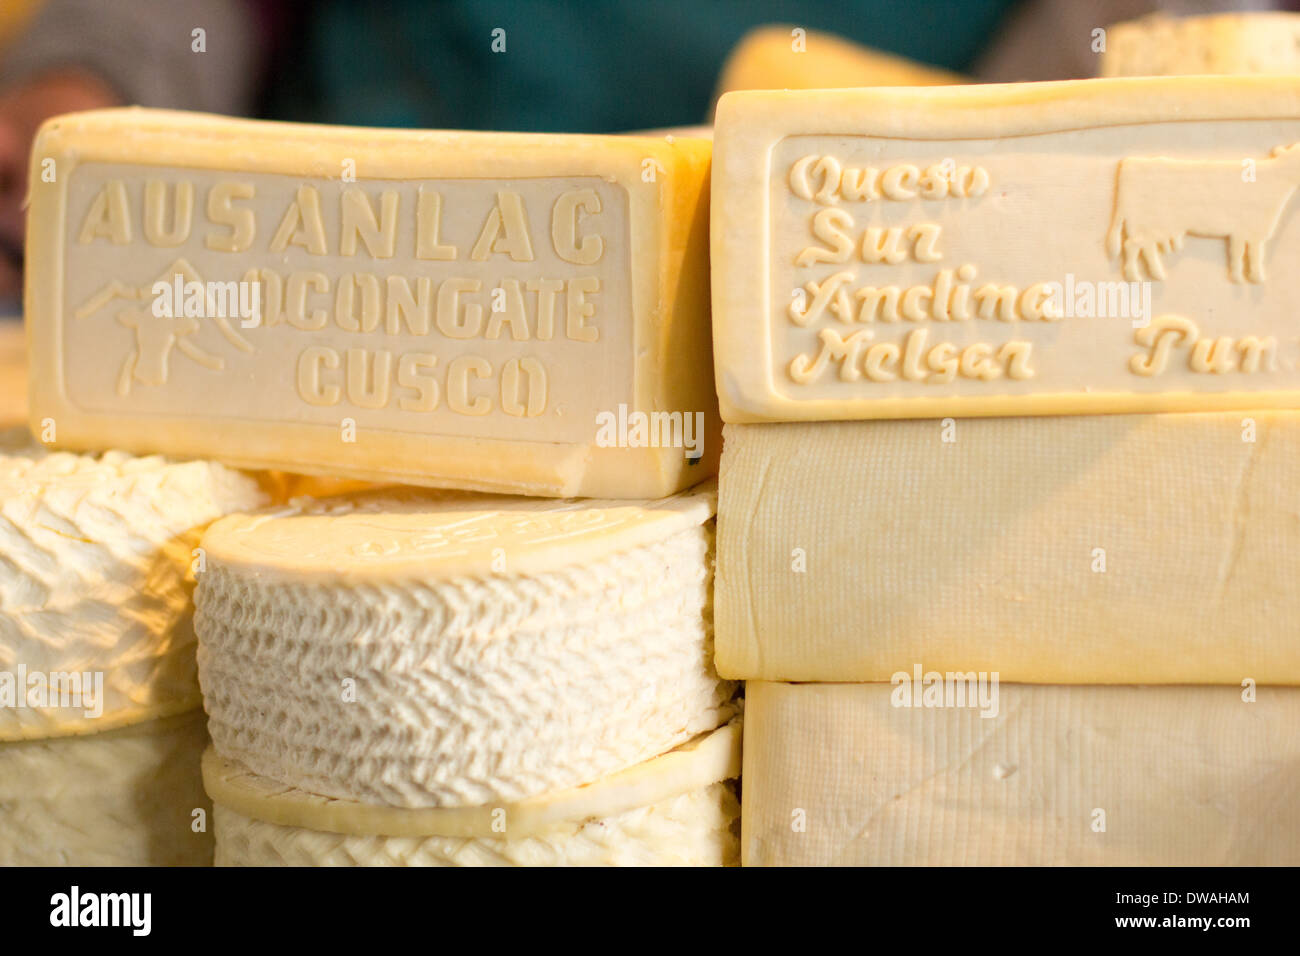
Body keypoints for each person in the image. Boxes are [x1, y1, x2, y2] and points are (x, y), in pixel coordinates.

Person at [0, 0, 1270, 306]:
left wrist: (981, 178)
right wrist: (100, 74)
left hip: (869, 260)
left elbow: (1161, 34)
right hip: (359, 261)